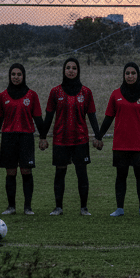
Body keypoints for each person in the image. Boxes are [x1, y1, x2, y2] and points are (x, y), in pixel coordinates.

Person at [96, 62, 140, 217]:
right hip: (120, 144)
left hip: (139, 144)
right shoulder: (116, 94)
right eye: (127, 73)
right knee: (121, 176)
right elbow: (108, 118)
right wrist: (99, 136)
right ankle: (119, 208)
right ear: (124, 75)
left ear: (138, 75)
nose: (130, 76)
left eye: (133, 73)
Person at [40, 57, 101, 216]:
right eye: (68, 68)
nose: (71, 70)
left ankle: (84, 208)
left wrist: (98, 136)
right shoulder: (55, 92)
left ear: (78, 71)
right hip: (60, 139)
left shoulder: (86, 92)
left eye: (74, 68)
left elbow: (92, 115)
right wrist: (43, 136)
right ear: (64, 70)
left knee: (82, 173)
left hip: (80, 139)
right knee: (60, 172)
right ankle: (58, 207)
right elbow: (48, 117)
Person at [0, 63, 43, 215]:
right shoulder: (3, 96)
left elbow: (38, 118)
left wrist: (43, 137)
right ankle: (11, 207)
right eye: (13, 74)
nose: (16, 77)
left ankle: (28, 207)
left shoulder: (32, 95)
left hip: (26, 136)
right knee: (11, 172)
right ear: (9, 76)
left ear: (23, 76)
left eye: (19, 74)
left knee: (26, 171)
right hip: (8, 137)